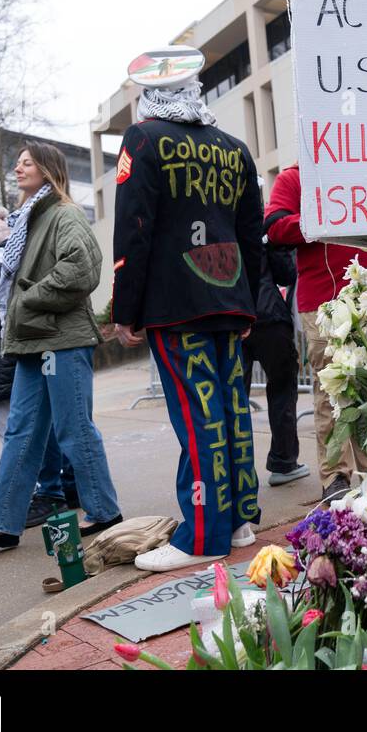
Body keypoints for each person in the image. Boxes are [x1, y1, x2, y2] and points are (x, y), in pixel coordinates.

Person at [111, 70, 265, 572]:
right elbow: (250, 231)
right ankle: (241, 519)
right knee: (231, 409)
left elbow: (135, 228)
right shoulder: (234, 148)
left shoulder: (143, 138)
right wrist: (249, 300)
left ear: (153, 97)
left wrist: (125, 309)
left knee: (199, 417)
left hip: (176, 303)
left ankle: (203, 535)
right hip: (229, 295)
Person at [0, 143, 123, 552]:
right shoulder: (28, 220)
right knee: (21, 433)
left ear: (48, 169)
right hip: (32, 342)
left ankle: (103, 510)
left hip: (60, 342)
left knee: (72, 428)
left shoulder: (62, 214)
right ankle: (3, 524)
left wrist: (25, 300)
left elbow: (82, 269)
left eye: (26, 163)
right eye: (16, 162)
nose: (17, 168)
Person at [265, 164, 367, 501]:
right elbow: (274, 229)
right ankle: (336, 479)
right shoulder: (293, 177)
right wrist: (318, 220)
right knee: (332, 393)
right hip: (322, 303)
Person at [243, 235, 309, 488]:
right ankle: (284, 463)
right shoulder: (260, 225)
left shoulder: (218, 217)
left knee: (234, 398)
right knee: (282, 388)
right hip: (270, 316)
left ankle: (237, 471)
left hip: (232, 315)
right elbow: (287, 274)